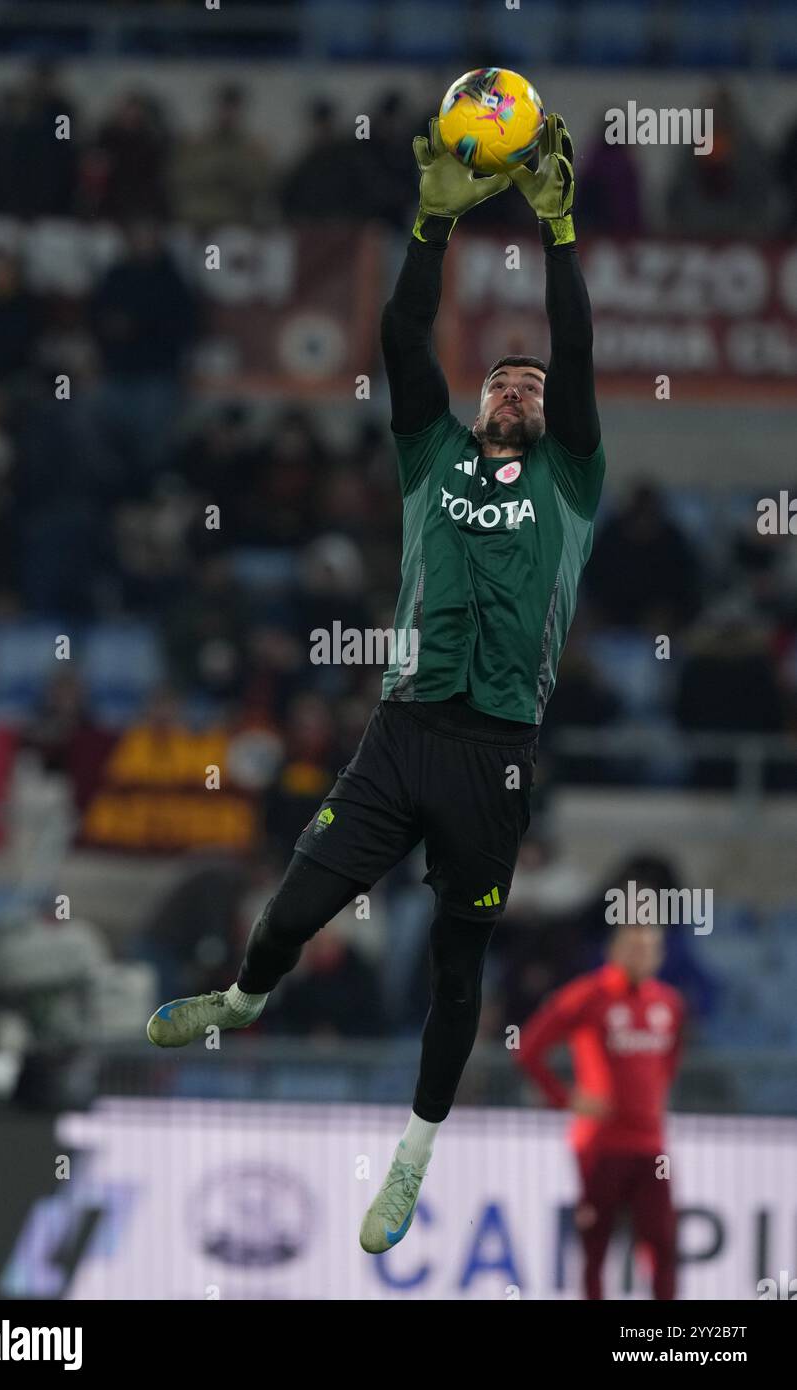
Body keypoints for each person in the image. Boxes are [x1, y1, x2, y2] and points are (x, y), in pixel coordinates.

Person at [147, 112, 606, 1254]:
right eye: (498, 379)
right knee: (293, 908)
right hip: (399, 733)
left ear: (550, 418)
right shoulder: (430, 453)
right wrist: (433, 220)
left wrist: (555, 227)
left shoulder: (571, 482)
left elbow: (577, 345)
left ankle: (411, 1156)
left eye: (528, 386)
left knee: (457, 966)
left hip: (494, 751)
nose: (513, 389)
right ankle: (247, 997)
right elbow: (403, 330)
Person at [517, 924, 685, 1300]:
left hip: (650, 1144)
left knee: (662, 1242)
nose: (642, 956)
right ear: (614, 950)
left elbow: (669, 1061)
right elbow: (528, 1049)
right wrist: (566, 1098)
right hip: (600, 1145)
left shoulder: (669, 1003)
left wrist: (652, 1099)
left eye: (650, 948)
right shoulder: (586, 996)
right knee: (596, 1245)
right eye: (634, 947)